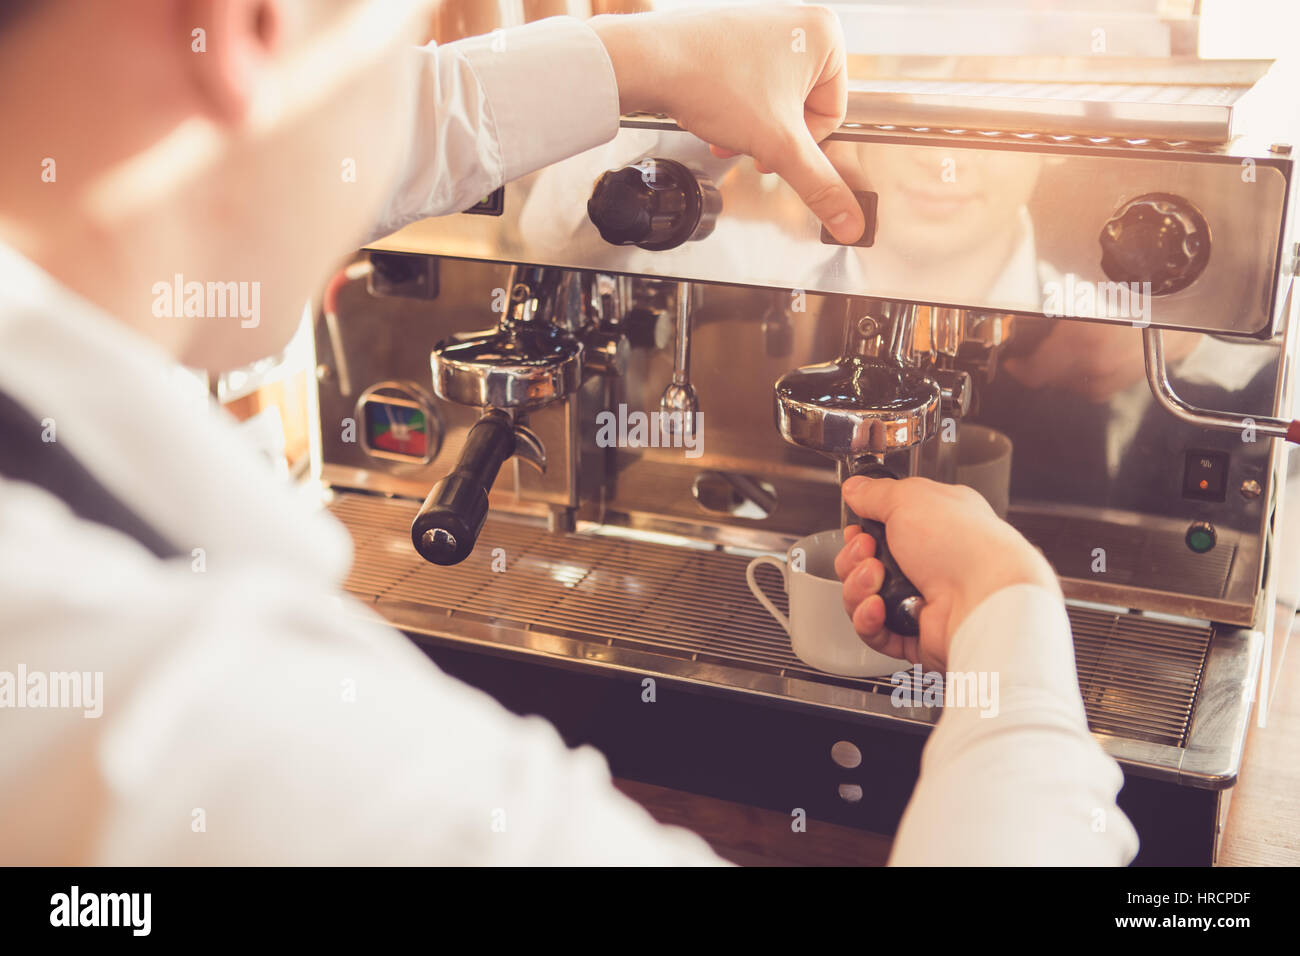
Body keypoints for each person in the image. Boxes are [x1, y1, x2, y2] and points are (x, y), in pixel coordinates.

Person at [0, 0, 1137, 865]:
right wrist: (1013, 626)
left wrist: (647, 58)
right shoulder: (209, 729)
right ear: (253, 22)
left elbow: (331, 127)